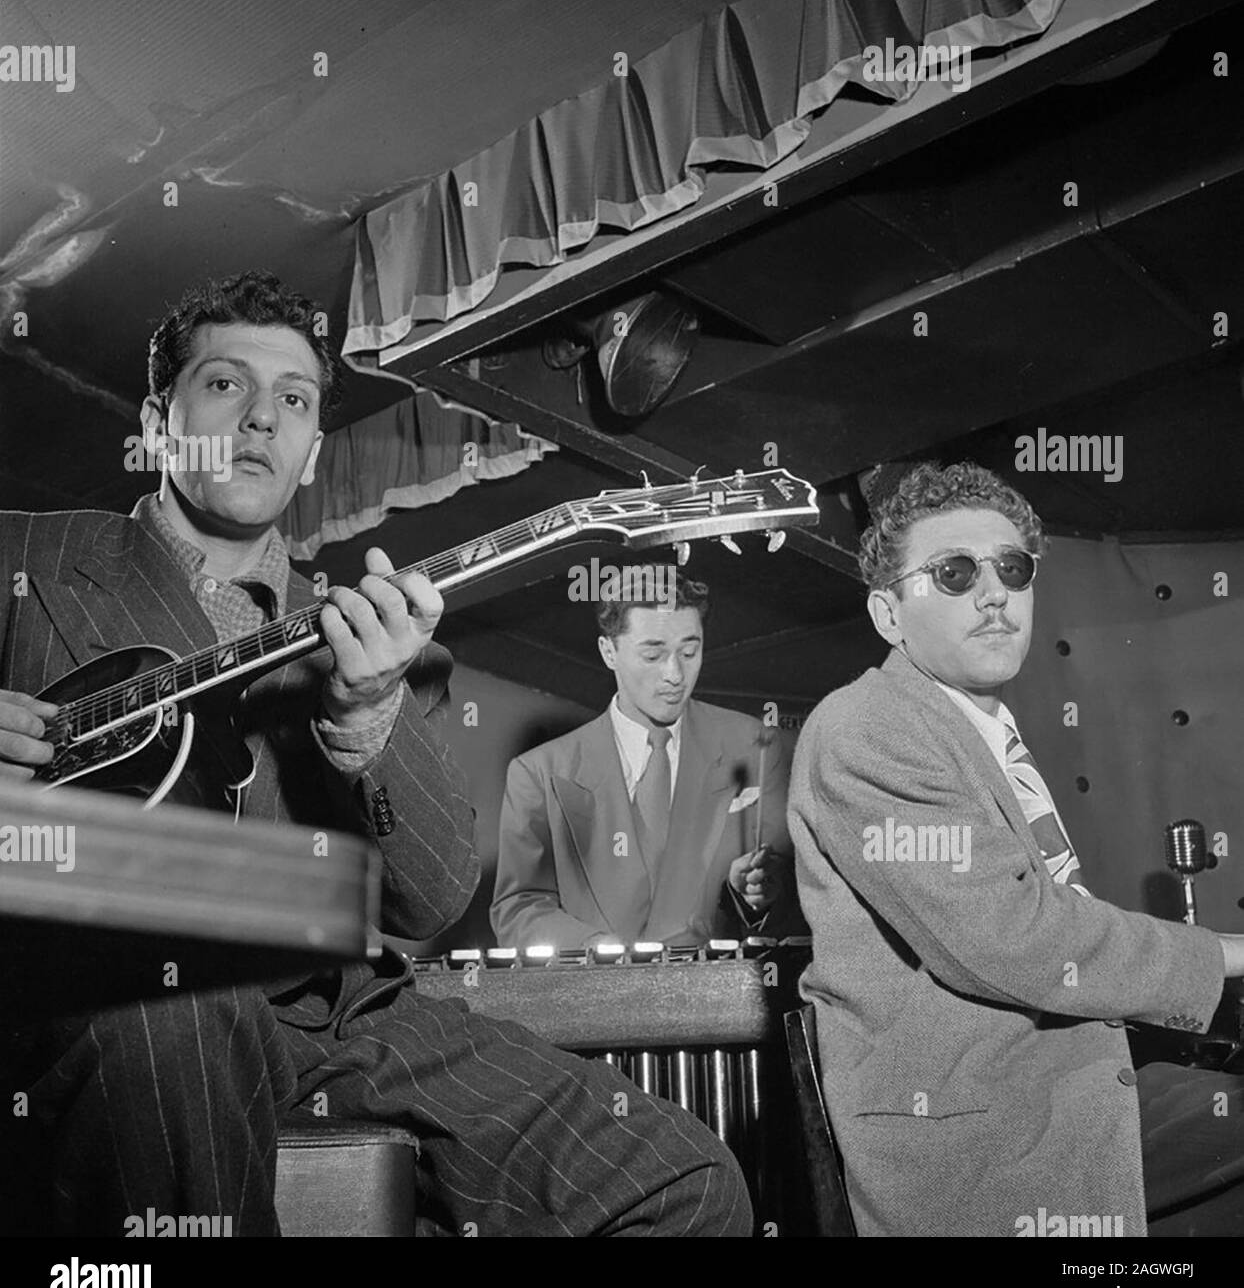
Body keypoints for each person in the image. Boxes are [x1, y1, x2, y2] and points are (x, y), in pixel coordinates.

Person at [0, 270, 751, 1237]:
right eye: (227, 385)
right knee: (165, 1013)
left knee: (684, 1181)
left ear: (314, 455)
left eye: (296, 400)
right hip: (96, 1004)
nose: (263, 419)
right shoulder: (24, 560)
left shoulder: (394, 651)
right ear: (156, 420)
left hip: (334, 1023)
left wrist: (367, 715)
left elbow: (429, 902)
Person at [789, 460, 1244, 1237]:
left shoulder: (975, 723)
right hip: (988, 1142)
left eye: (1012, 568)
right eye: (954, 573)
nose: (994, 592)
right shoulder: (867, 726)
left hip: (1068, 1090)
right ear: (888, 615)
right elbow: (1013, 939)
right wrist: (1227, 955)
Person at [492, 573, 802, 949]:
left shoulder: (754, 745)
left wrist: (753, 899)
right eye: (653, 655)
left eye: (689, 653)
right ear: (609, 652)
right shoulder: (538, 772)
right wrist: (598, 948)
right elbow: (518, 908)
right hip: (595, 996)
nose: (674, 675)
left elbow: (792, 895)